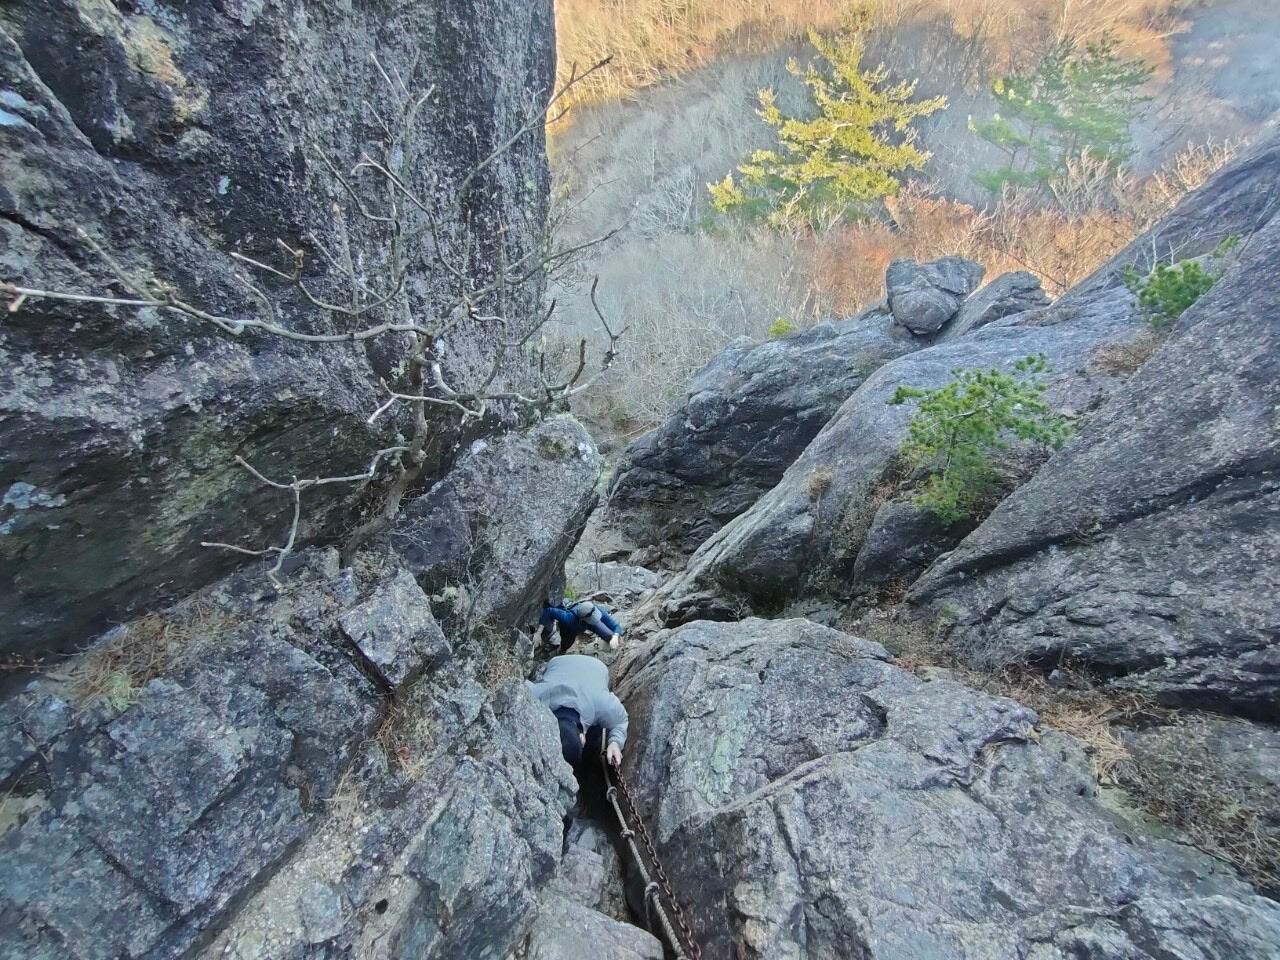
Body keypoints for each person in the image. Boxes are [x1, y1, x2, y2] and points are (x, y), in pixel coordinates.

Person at [527, 654, 628, 769]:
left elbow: (621, 720)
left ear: (582, 738)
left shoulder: (603, 704)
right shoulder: (536, 695)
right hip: (560, 661)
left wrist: (615, 742)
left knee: (595, 734)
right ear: (582, 739)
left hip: (594, 667)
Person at [534, 598, 624, 654]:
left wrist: (616, 636)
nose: (596, 618)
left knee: (610, 636)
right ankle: (562, 650)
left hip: (587, 624)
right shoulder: (569, 618)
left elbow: (616, 626)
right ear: (583, 619)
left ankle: (615, 640)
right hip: (572, 628)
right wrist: (538, 633)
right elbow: (549, 611)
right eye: (593, 618)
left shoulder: (597, 610)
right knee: (567, 643)